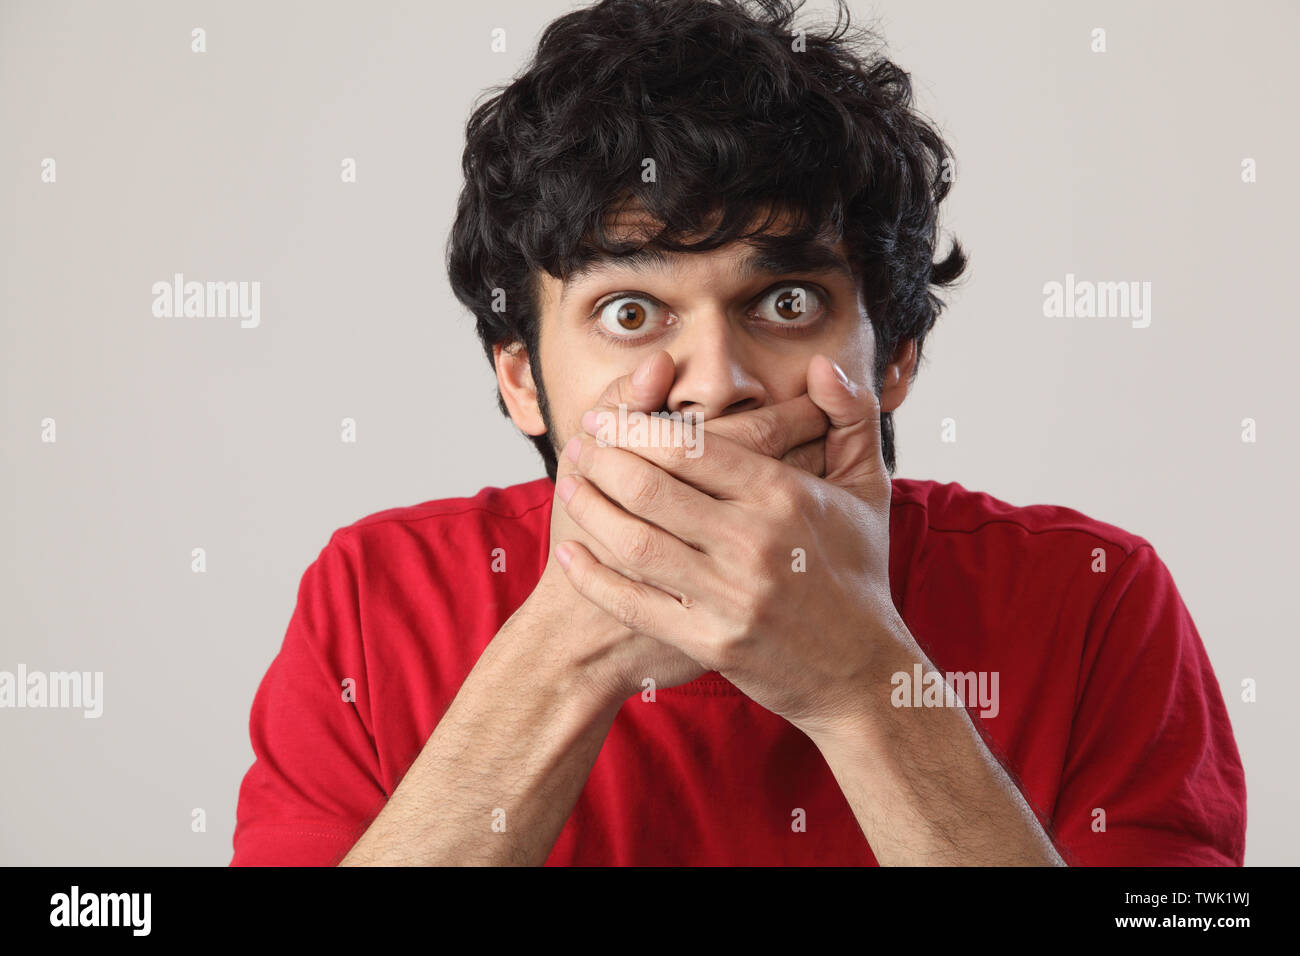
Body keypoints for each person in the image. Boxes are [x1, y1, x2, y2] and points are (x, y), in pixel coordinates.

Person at [230, 0, 1245, 866]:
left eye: (788, 301)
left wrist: (863, 685)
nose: (713, 386)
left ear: (892, 357)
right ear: (521, 380)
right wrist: (574, 651)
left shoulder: (1096, 599)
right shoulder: (373, 599)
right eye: (631, 311)